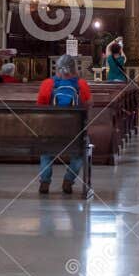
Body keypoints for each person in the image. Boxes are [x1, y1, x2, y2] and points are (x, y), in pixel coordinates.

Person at [36, 54, 90, 195]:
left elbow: (39, 107)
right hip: (74, 132)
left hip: (51, 130)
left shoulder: (48, 84)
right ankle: (68, 180)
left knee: (46, 152)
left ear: (57, 68)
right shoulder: (81, 84)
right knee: (80, 153)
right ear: (74, 69)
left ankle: (45, 181)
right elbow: (88, 106)